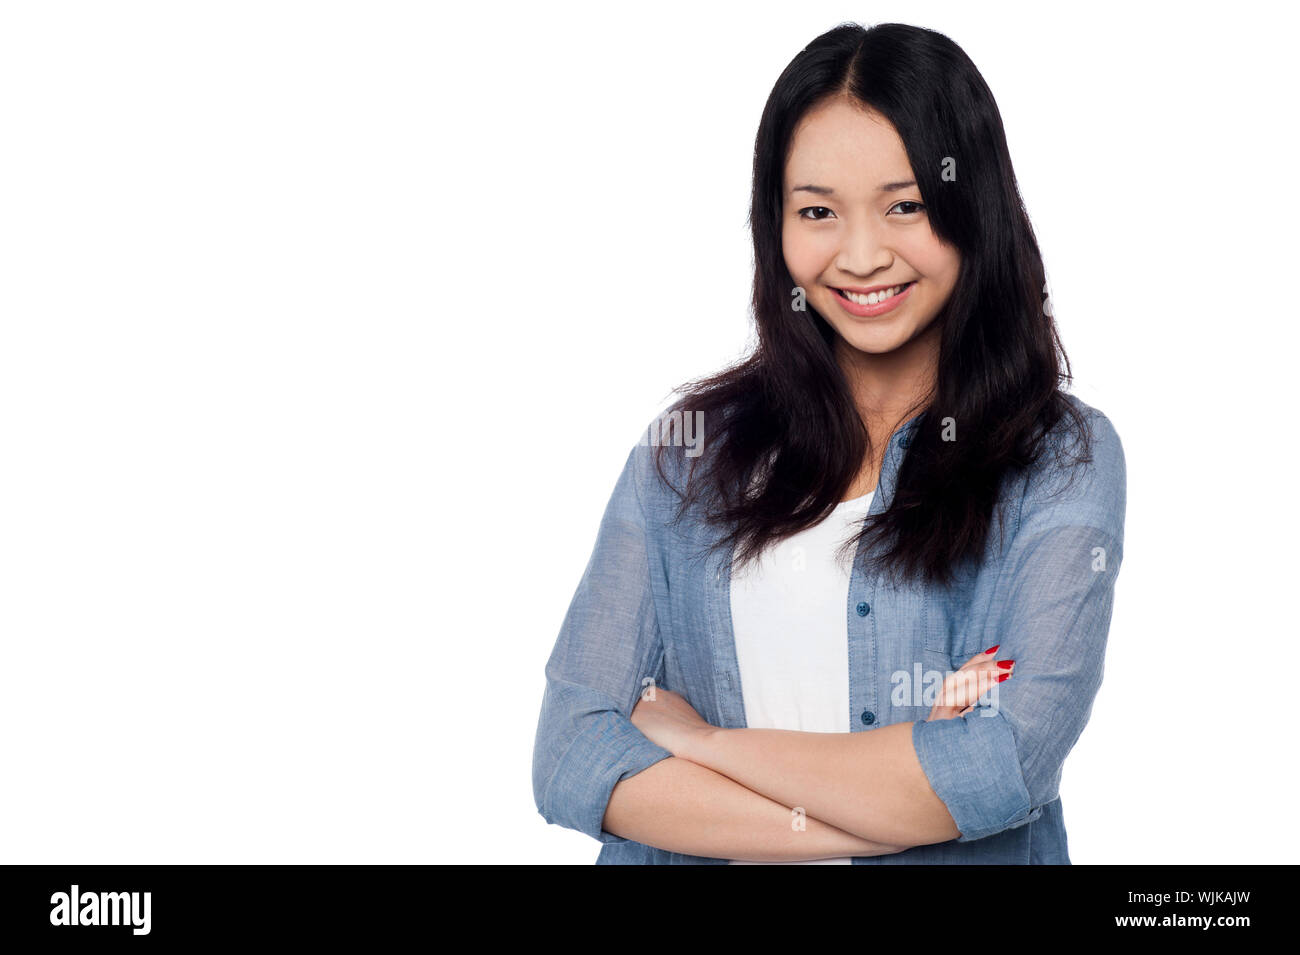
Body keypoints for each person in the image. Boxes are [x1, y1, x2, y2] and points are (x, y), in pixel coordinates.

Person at [531, 21, 1126, 864]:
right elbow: (569, 754)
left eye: (905, 206)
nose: (859, 255)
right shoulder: (685, 456)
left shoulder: (1062, 460)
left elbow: (1004, 764)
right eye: (817, 211)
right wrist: (890, 804)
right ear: (774, 223)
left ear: (973, 206)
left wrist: (703, 744)